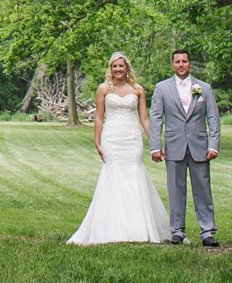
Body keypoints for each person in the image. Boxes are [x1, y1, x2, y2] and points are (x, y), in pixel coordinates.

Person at [67, 52, 172, 245]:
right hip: (112, 138)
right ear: (110, 69)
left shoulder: (137, 89)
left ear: (127, 68)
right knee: (113, 175)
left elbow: (144, 118)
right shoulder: (103, 89)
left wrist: (155, 143)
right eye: (114, 66)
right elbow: (99, 117)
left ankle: (138, 227)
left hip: (132, 138)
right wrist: (97, 141)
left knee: (134, 175)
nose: (118, 69)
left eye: (121, 66)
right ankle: (110, 227)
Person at [149, 48, 220, 246]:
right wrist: (155, 146)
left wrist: (213, 145)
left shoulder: (203, 88)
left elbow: (213, 118)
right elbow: (156, 118)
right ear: (172, 64)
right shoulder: (161, 88)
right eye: (177, 62)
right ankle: (177, 231)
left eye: (184, 61)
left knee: (203, 189)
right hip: (173, 146)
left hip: (199, 146)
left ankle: (207, 231)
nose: (181, 65)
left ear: (190, 64)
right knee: (175, 190)